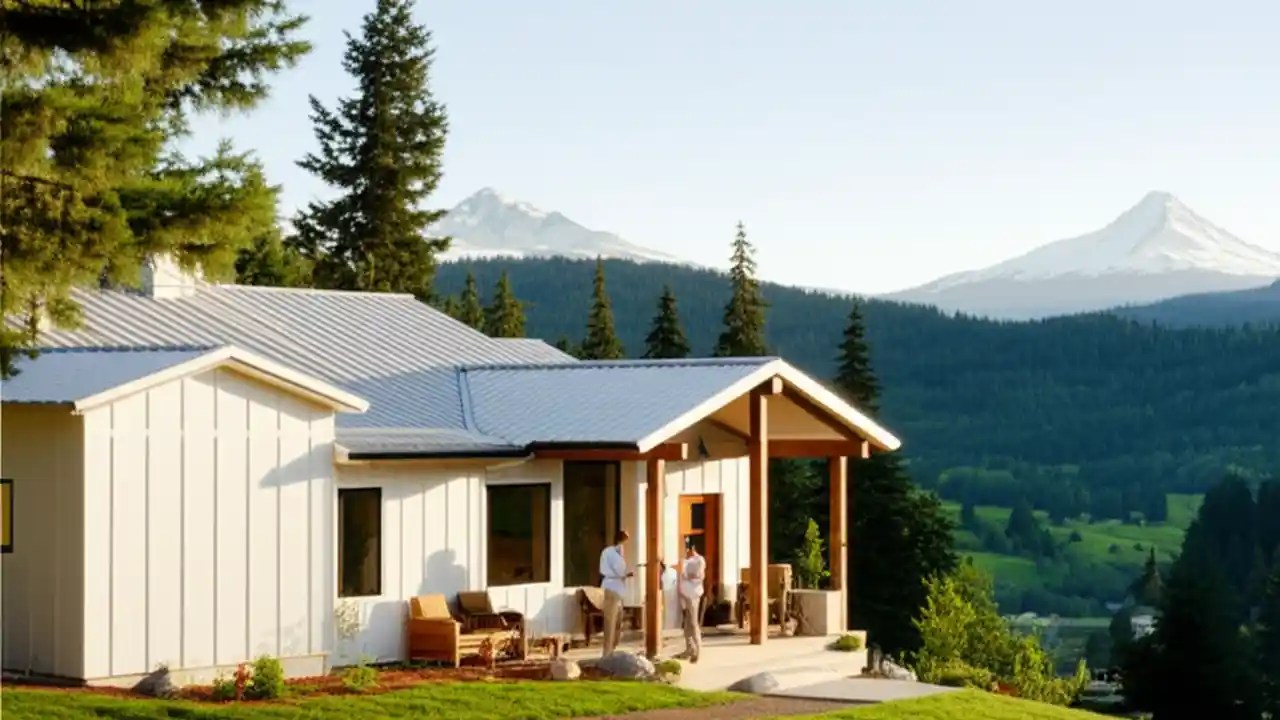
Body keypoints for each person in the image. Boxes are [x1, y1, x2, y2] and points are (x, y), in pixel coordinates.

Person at [599, 529, 633, 656]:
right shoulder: (610, 552)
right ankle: (607, 652)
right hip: (611, 588)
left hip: (619, 589)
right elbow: (617, 570)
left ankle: (613, 648)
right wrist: (625, 574)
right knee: (610, 621)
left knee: (618, 621)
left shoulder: (619, 552)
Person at [678, 537, 706, 662]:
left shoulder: (699, 560)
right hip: (684, 595)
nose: (686, 549)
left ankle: (698, 650)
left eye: (688, 547)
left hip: (693, 595)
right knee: (687, 624)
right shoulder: (685, 561)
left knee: (694, 623)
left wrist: (686, 575)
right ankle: (689, 648)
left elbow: (699, 575)